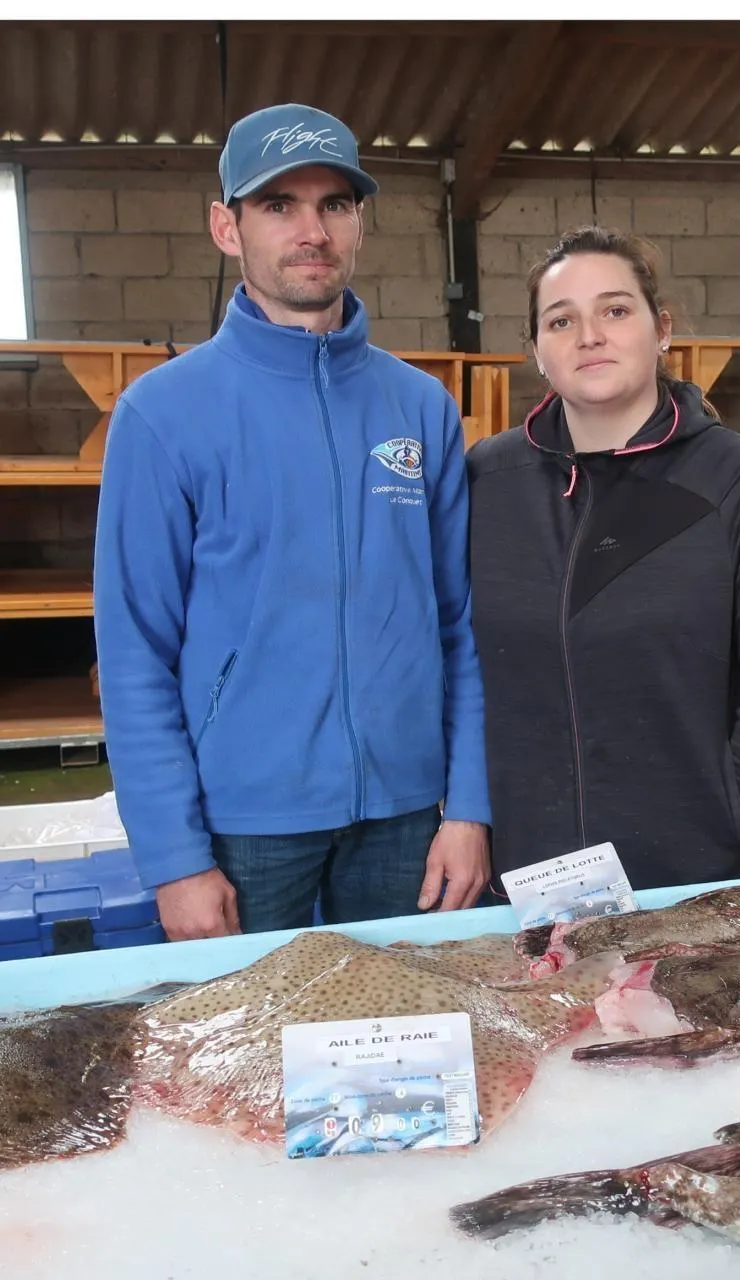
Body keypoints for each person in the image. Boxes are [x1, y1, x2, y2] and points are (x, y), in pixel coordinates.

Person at [93, 103, 491, 941]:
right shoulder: (163, 415)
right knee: (246, 1060)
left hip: (407, 816)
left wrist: (471, 806)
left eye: (334, 204)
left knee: (406, 1043)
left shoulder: (420, 407)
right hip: (243, 827)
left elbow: (462, 624)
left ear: (358, 224)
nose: (312, 229)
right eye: (279, 204)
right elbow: (134, 654)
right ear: (226, 227)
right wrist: (174, 856)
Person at [466, 225, 740, 894]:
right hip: (527, 868)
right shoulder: (490, 480)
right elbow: (455, 656)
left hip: (693, 868)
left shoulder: (736, 482)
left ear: (660, 328)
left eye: (615, 309)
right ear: (537, 350)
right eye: (561, 320)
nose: (589, 335)